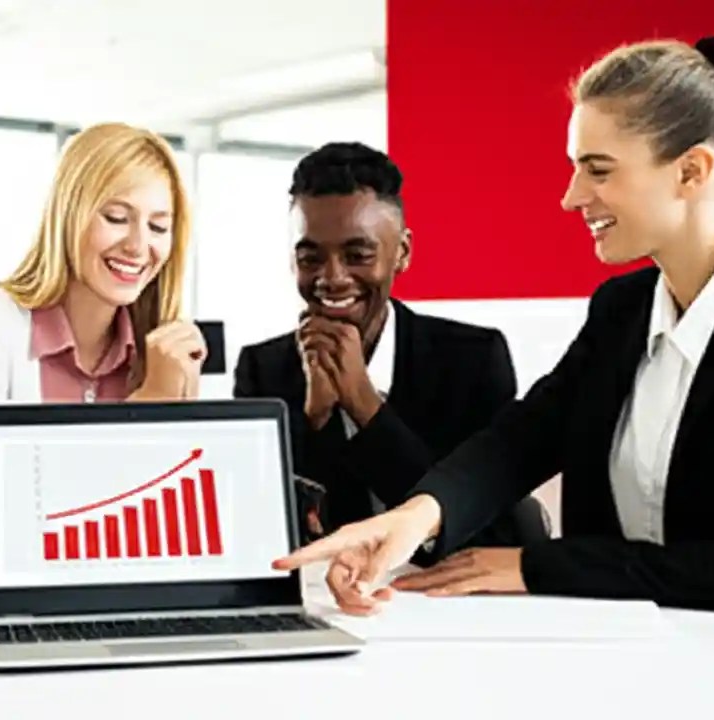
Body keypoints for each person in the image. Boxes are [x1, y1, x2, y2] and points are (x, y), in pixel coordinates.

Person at [274, 36, 714, 618]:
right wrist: (410, 519)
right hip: (618, 651)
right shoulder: (622, 309)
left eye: (598, 170)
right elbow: (524, 438)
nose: (572, 197)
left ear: (692, 170)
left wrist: (534, 566)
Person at [0, 122, 205, 588]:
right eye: (116, 217)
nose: (139, 246)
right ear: (69, 214)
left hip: (126, 594)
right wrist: (148, 409)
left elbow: (168, 526)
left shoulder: (164, 348)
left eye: (158, 226)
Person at [234, 142, 548, 548]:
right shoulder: (264, 368)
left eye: (357, 255)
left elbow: (487, 529)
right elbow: (261, 532)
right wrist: (314, 420)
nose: (332, 277)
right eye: (311, 258)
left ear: (402, 253)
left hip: (445, 598)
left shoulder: (472, 360)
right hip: (324, 597)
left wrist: (364, 404)